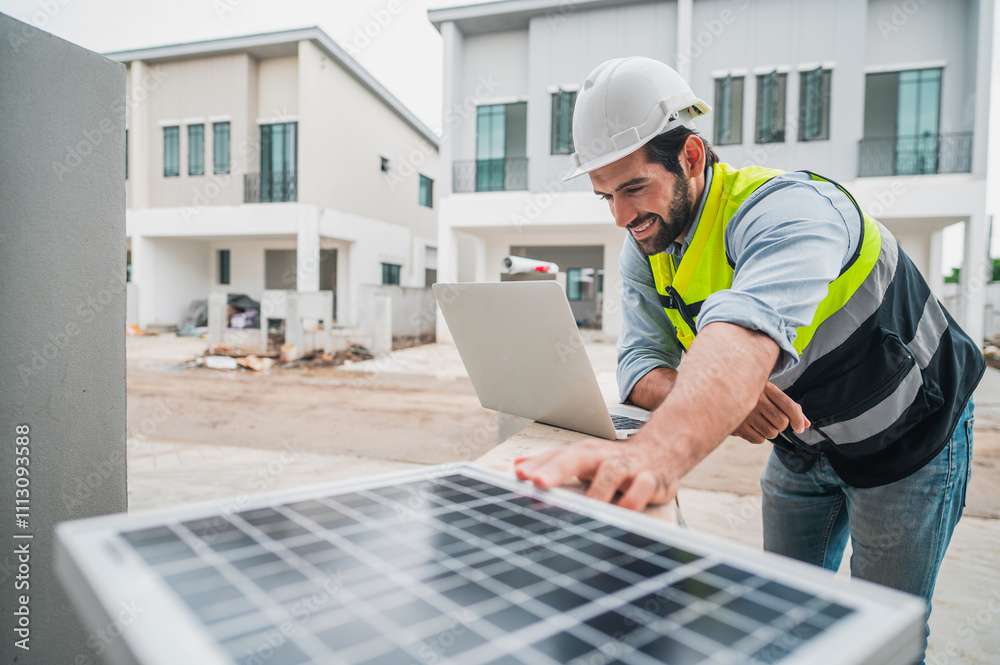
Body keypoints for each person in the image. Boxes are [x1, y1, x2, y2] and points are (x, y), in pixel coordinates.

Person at [514, 57, 984, 662]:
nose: (621, 217)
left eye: (633, 187)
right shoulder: (649, 244)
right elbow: (637, 366)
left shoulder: (792, 210)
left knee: (884, 645)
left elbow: (745, 327)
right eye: (604, 195)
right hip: (803, 447)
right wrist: (729, 397)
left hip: (912, 443)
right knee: (781, 622)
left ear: (690, 157)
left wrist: (657, 455)